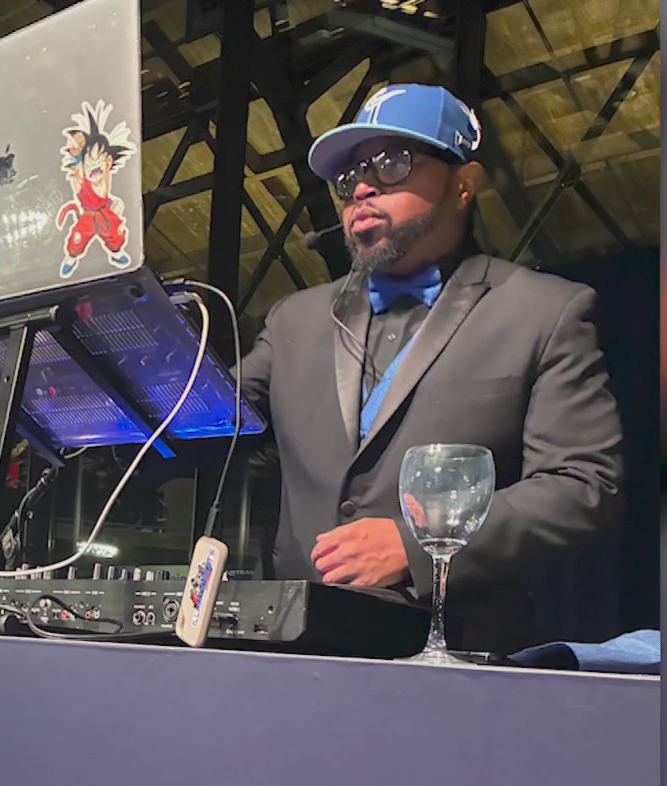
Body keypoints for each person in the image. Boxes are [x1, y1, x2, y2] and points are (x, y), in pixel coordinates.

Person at [241, 84, 624, 651]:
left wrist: (420, 545)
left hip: (458, 657)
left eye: (392, 163)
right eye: (349, 178)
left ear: (464, 184)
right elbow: (199, 420)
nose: (362, 187)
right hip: (296, 651)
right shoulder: (294, 318)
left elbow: (584, 484)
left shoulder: (545, 311)